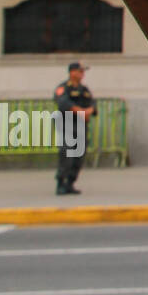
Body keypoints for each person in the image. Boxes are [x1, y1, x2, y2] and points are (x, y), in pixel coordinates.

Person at [53, 62, 95, 195]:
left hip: (81, 125)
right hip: (67, 123)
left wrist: (89, 110)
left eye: (83, 72)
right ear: (72, 72)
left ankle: (70, 182)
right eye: (80, 71)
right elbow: (63, 102)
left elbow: (93, 103)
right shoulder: (63, 87)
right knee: (67, 152)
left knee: (79, 154)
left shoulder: (84, 89)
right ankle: (61, 182)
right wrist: (81, 111)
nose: (82, 74)